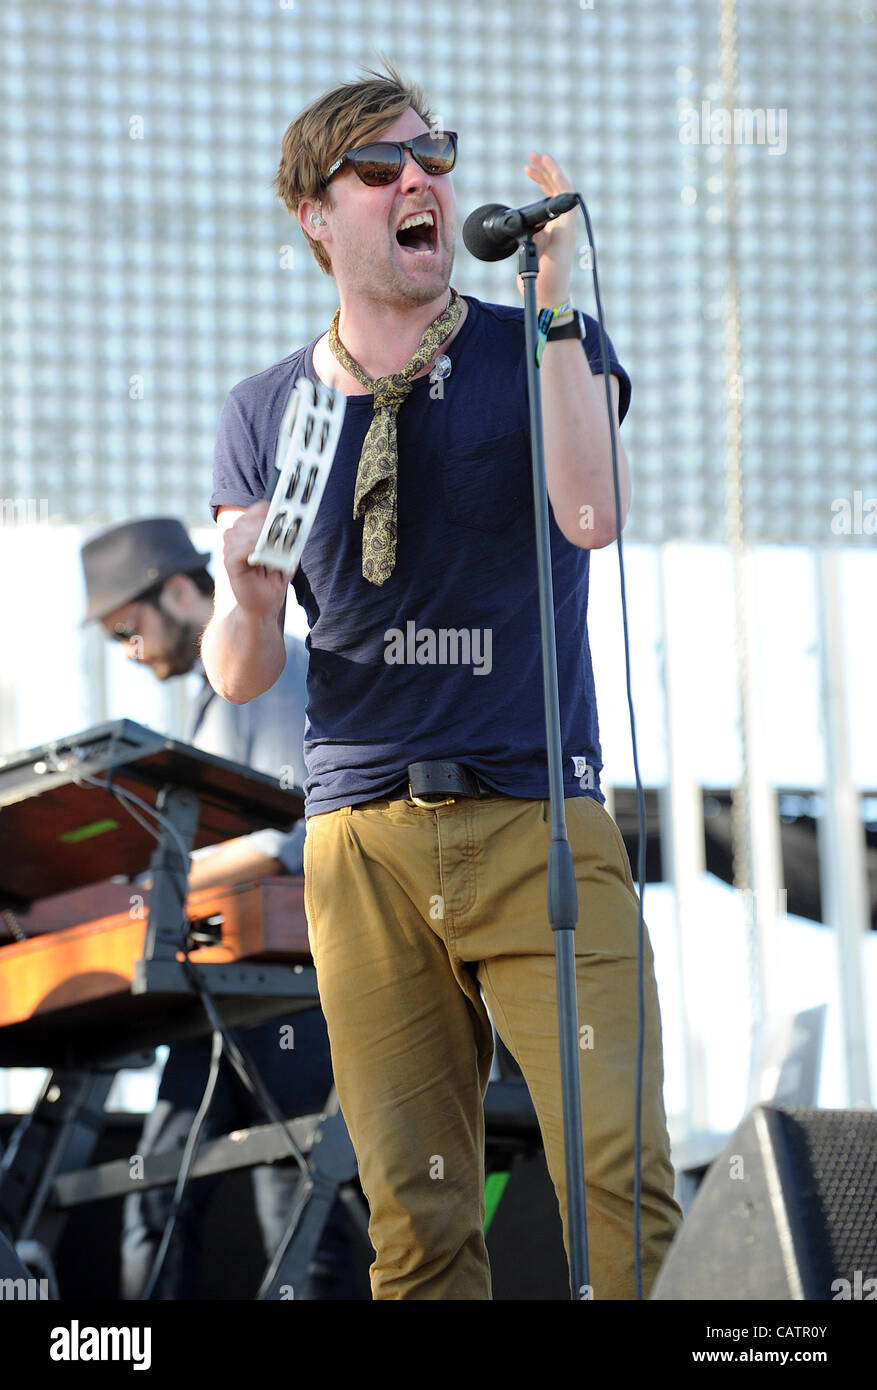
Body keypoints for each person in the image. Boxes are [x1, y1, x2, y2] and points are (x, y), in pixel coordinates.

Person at [203, 63, 683, 1300]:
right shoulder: (266, 408)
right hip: (360, 838)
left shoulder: (539, 341)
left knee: (620, 1175)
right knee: (414, 1219)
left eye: (433, 156)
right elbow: (241, 666)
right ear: (317, 214)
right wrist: (243, 601)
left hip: (537, 813)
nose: (420, 180)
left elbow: (590, 516)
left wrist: (562, 300)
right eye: (381, 168)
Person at [80, 517, 360, 1300]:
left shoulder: (267, 676)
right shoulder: (204, 704)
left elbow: (293, 833)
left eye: (125, 629)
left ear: (177, 591)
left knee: (300, 1202)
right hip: (216, 986)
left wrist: (154, 885)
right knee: (158, 1194)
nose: (126, 651)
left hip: (285, 986)